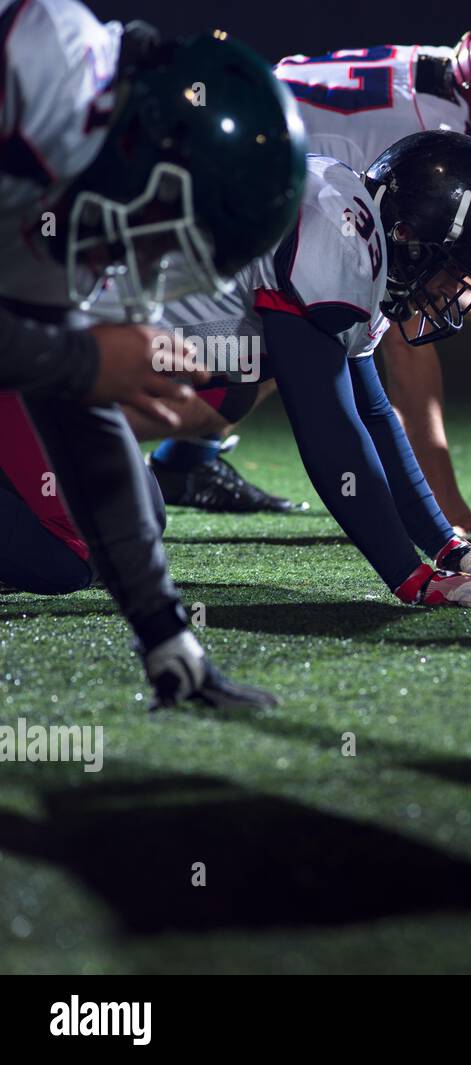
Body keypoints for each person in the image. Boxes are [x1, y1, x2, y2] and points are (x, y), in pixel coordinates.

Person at [140, 8, 471, 533]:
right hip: (205, 178)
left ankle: (179, 463)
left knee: (281, 342)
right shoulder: (433, 132)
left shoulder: (444, 76)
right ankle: (71, 430)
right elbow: (404, 329)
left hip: (236, 161)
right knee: (245, 361)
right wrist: (445, 508)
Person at [0, 0, 305, 708]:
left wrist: (165, 634)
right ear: (146, 153)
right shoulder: (33, 80)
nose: (149, 265)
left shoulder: (78, 166)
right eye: (164, 235)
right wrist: (79, 359)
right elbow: (68, 368)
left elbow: (78, 411)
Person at [156, 130, 471, 606]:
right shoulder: (341, 242)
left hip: (146, 344)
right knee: (92, 542)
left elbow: (373, 415)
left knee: (242, 374)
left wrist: (449, 548)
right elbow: (328, 428)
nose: (452, 290)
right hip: (88, 347)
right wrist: (410, 577)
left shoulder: (358, 222)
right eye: (453, 269)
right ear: (409, 235)